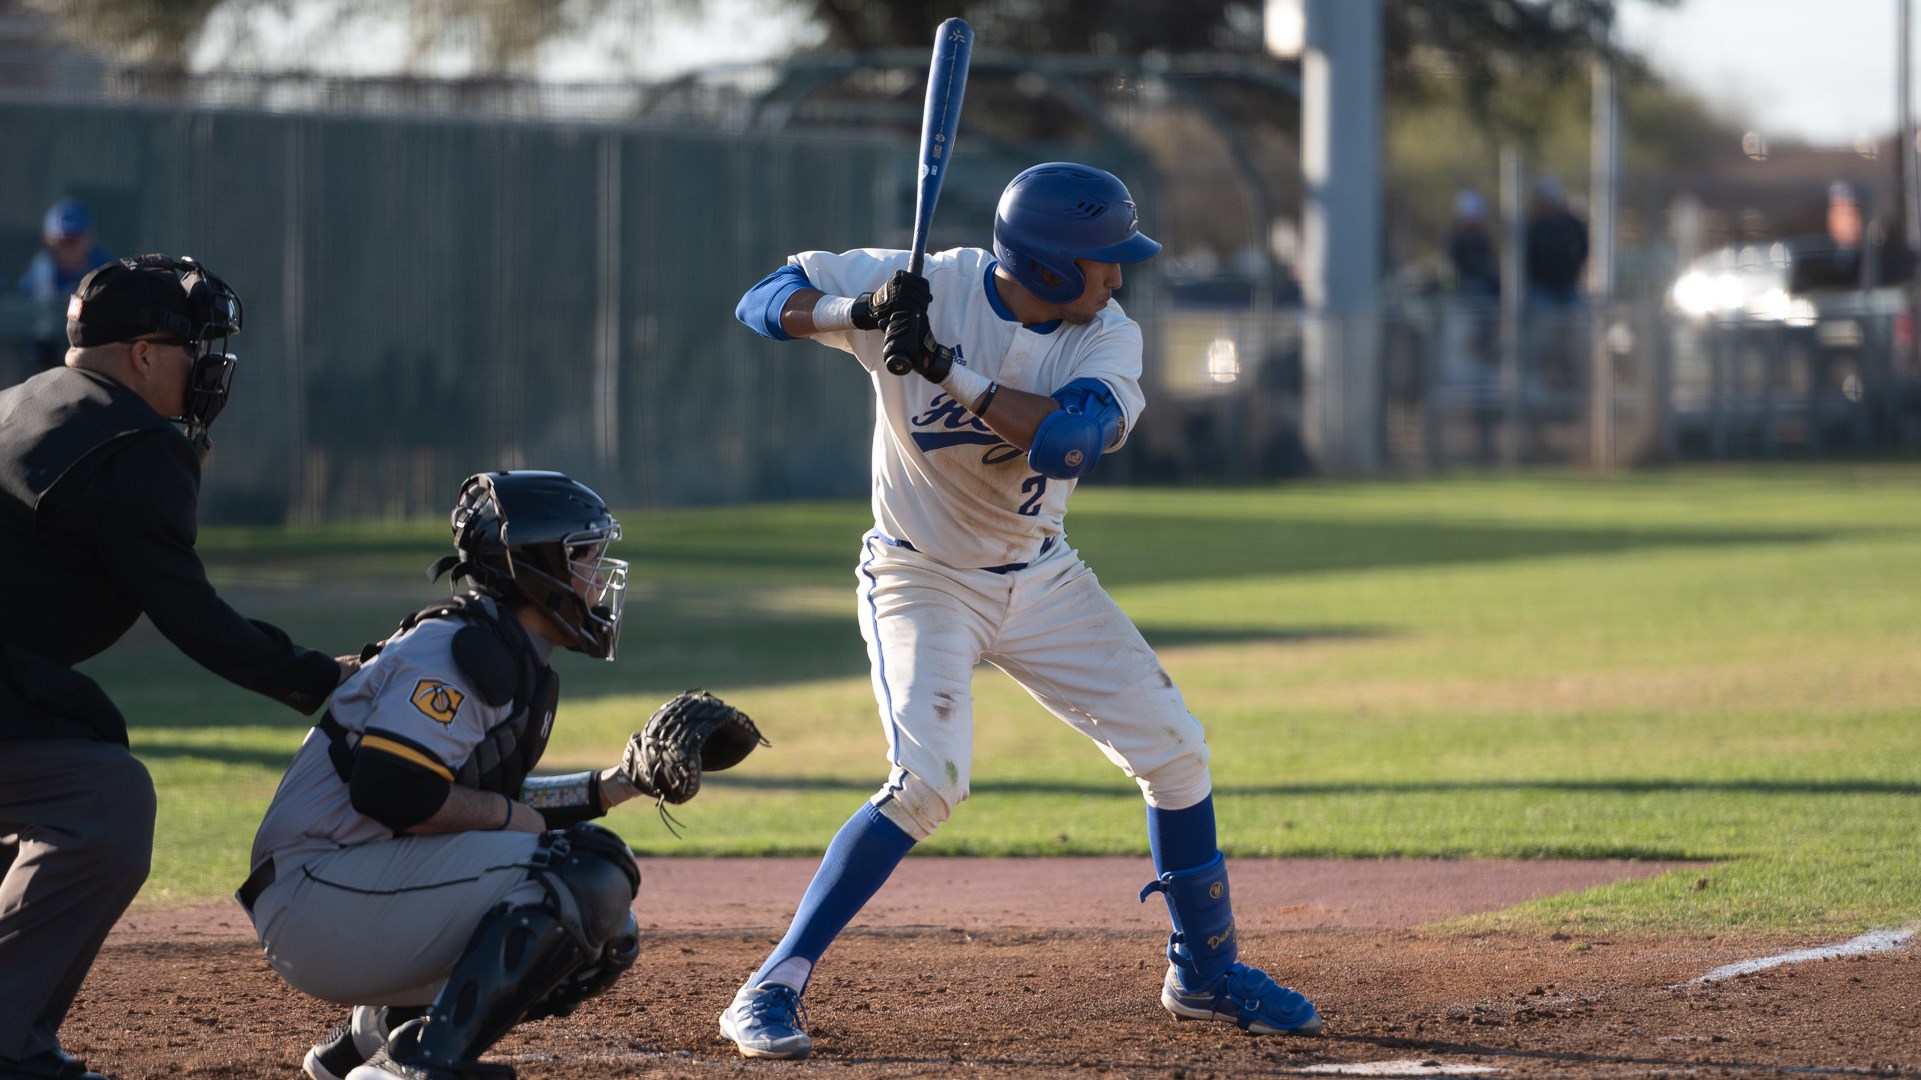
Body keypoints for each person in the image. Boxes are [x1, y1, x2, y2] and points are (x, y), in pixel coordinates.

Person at [718, 161, 1323, 1060]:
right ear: (1043, 267)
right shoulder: (935, 285)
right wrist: (859, 314)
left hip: (1041, 577)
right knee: (929, 783)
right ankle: (769, 988)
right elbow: (761, 301)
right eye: (1102, 260)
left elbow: (1067, 441)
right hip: (920, 576)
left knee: (1176, 750)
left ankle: (1201, 972)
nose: (1117, 277)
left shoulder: (1106, 336)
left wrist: (941, 368)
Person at [0, 255, 352, 1080]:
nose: (207, 365)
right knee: (103, 801)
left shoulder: (20, 402)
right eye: (193, 345)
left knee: (54, 771)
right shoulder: (135, 440)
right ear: (142, 354)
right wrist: (320, 681)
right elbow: (192, 617)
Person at [241, 469, 659, 1080]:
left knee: (607, 930)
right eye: (585, 555)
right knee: (583, 876)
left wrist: (614, 785)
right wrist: (515, 819)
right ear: (532, 563)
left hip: (349, 884)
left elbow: (475, 803)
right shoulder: (459, 651)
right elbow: (393, 789)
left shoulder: (501, 650)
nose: (599, 576)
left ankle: (369, 1041)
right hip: (315, 891)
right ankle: (413, 1065)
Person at [16, 199, 113, 373]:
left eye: (73, 241)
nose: (67, 249)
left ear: (88, 238)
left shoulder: (105, 272)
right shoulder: (39, 273)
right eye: (61, 242)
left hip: (93, 360)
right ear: (48, 241)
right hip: (46, 360)